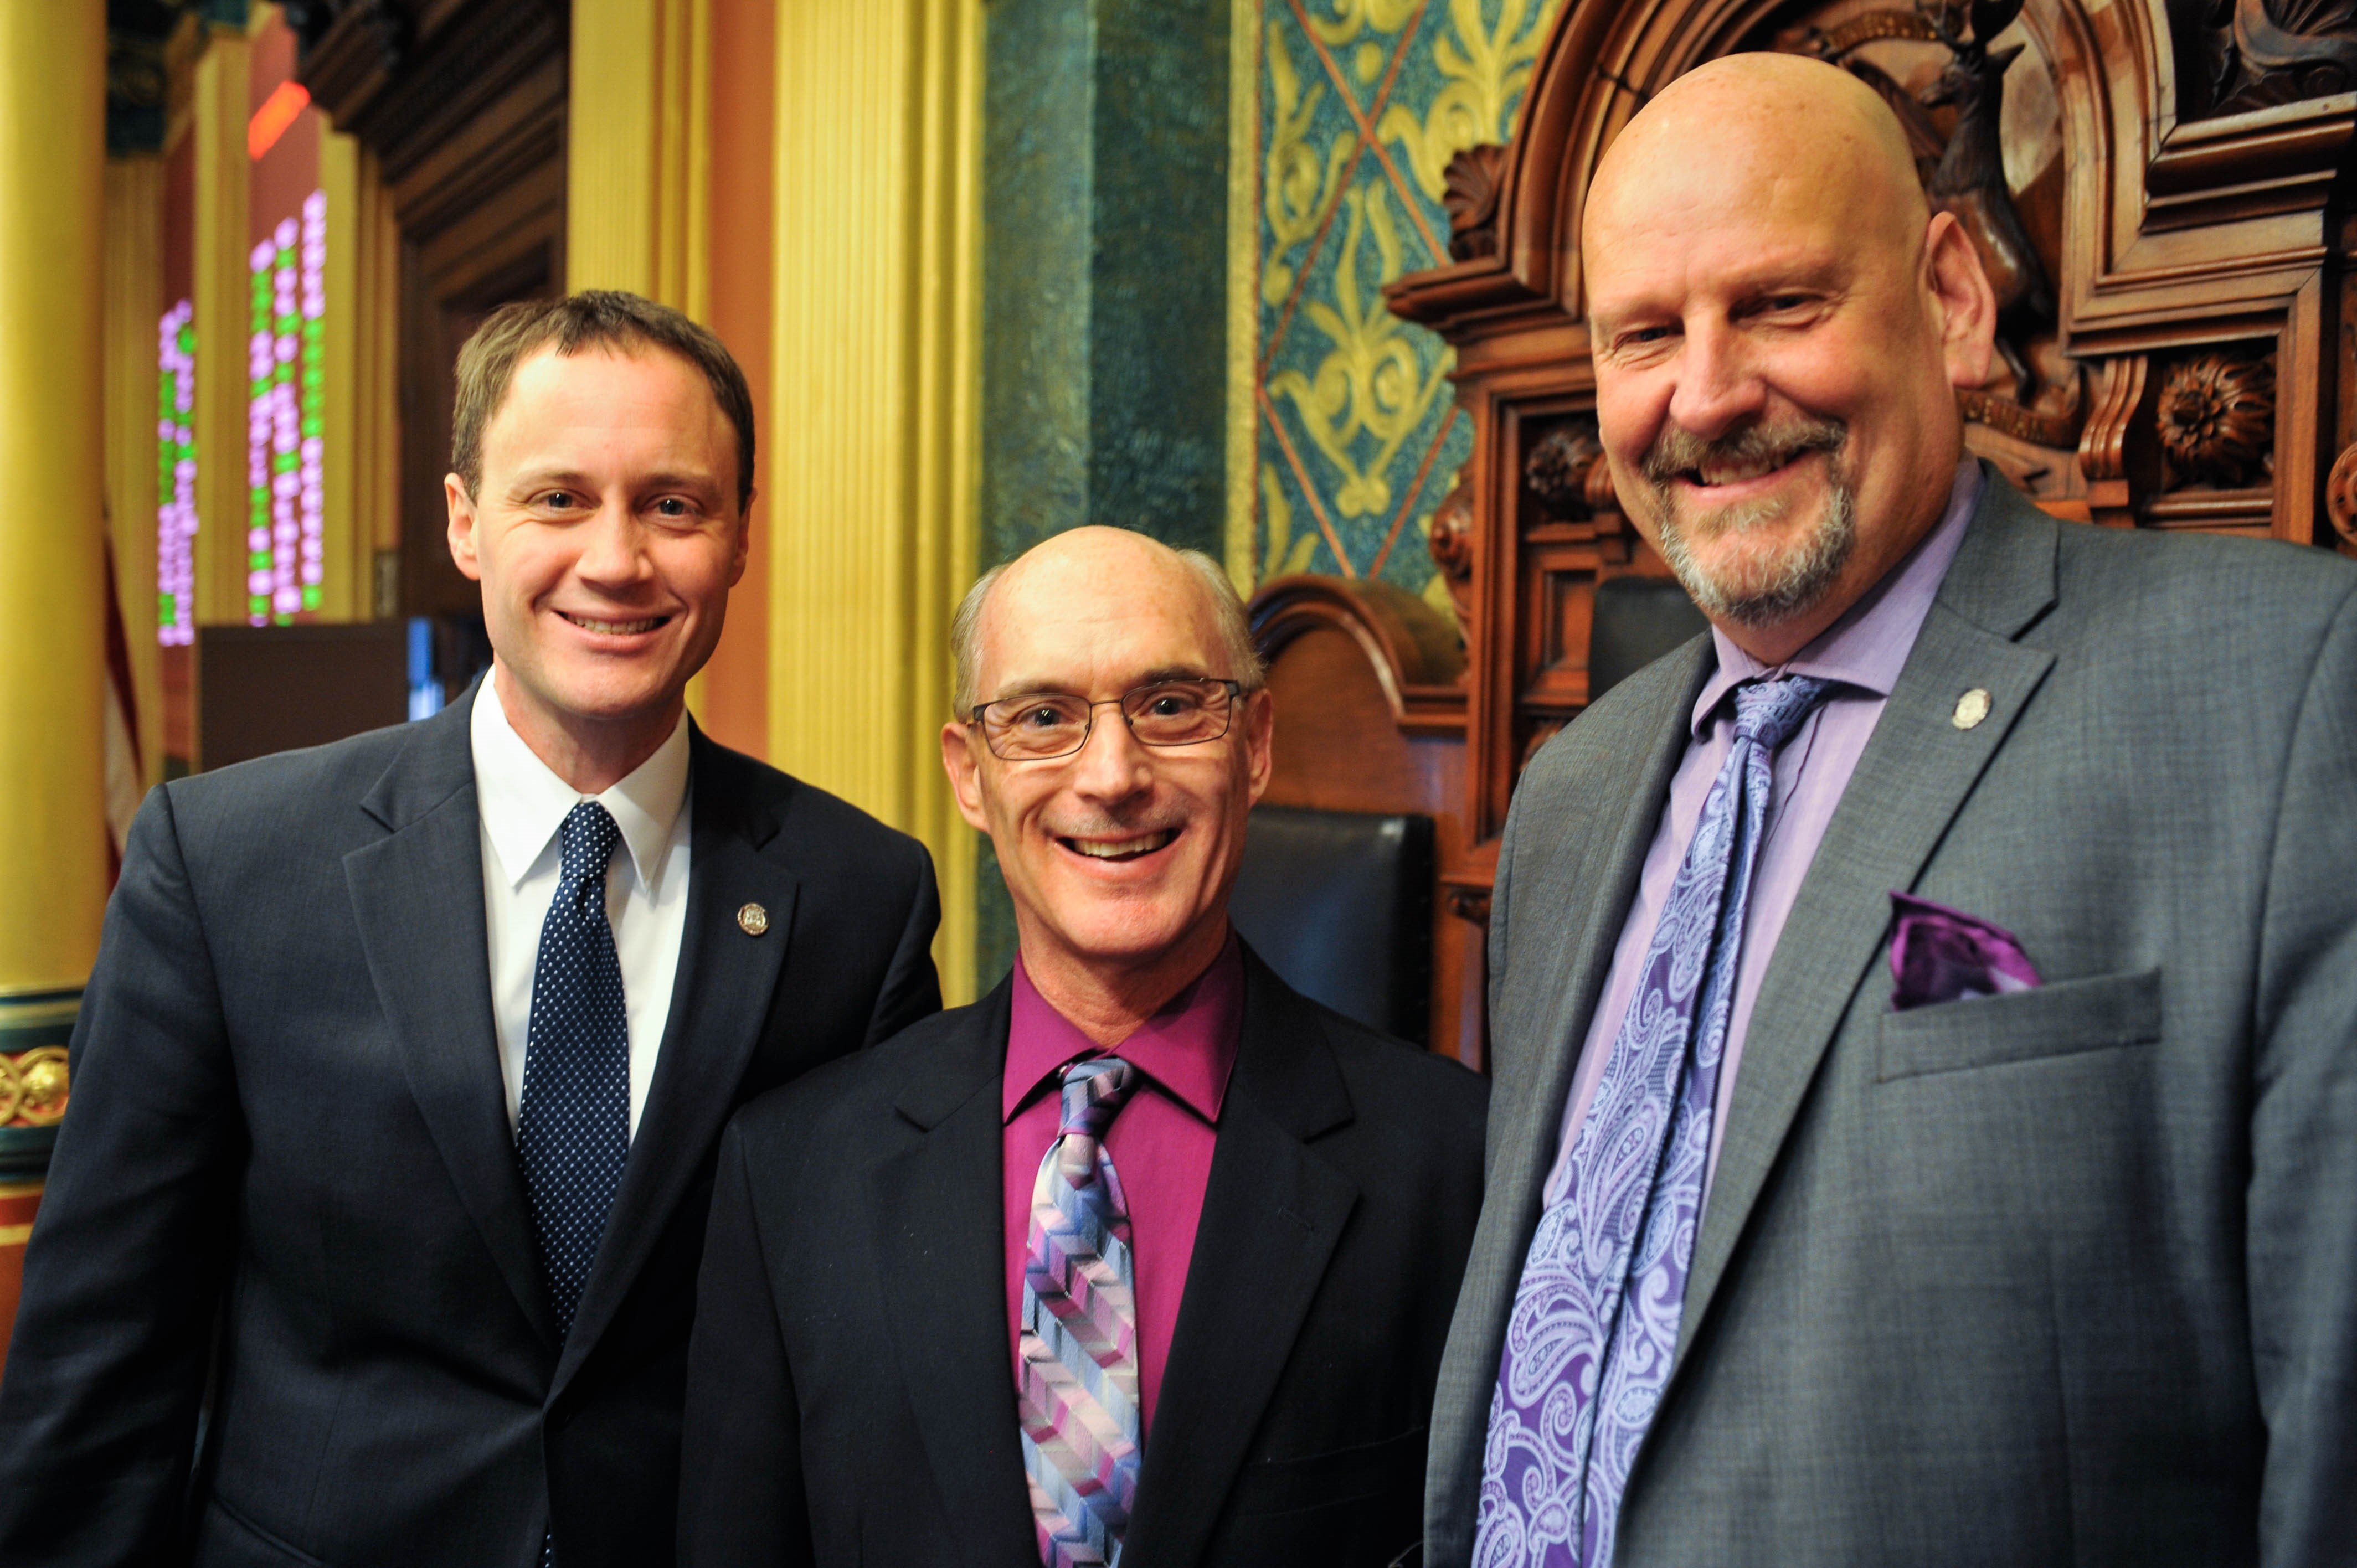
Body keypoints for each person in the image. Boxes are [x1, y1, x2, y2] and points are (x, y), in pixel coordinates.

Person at [1422, 52, 2357, 1568]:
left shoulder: (2281, 689)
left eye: (1780, 304)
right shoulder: (1570, 798)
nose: (1707, 395)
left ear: (1952, 300)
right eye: (1645, 334)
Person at [0, 291, 943, 1567]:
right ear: (464, 521)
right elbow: (102, 1369)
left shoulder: (859, 900)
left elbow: (872, 1362)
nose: (615, 558)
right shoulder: (225, 868)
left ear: (737, 538)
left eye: (672, 505)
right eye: (557, 498)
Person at [680, 526, 1488, 1567]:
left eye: (1170, 706)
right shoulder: (792, 1175)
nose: (1112, 775)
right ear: (970, 776)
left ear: (1254, 744)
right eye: (1044, 717)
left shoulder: (1453, 1166)